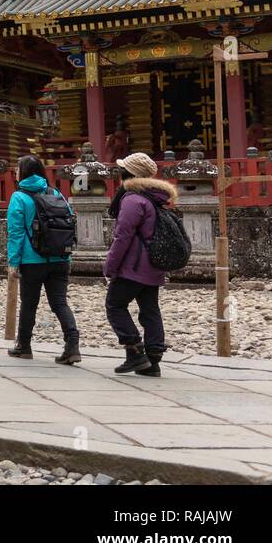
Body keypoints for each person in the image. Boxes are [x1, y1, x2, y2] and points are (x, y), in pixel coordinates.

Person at [104, 152, 175, 377]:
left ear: (129, 174)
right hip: (154, 264)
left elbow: (122, 237)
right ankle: (153, 361)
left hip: (133, 266)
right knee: (150, 310)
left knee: (115, 305)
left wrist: (110, 266)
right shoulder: (155, 198)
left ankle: (135, 352)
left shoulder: (133, 200)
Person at [5, 154, 80, 364]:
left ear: (24, 173)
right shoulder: (55, 192)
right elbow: (68, 221)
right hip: (60, 258)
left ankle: (24, 346)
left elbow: (16, 232)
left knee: (29, 303)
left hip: (32, 260)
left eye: (18, 169)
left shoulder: (19, 197)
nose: (15, 172)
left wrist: (13, 262)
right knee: (59, 303)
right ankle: (73, 345)